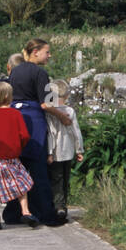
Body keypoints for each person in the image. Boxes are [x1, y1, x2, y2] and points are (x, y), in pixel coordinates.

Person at [0, 39, 72, 227]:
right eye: (47, 52)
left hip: (15, 118)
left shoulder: (15, 71)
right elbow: (45, 104)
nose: (49, 56)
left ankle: (13, 211)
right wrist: (62, 117)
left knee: (19, 166)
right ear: (36, 52)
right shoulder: (41, 73)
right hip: (34, 121)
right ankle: (45, 213)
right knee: (39, 168)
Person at [0, 81, 37, 230]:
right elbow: (24, 135)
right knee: (22, 181)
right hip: (11, 154)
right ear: (8, 96)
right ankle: (25, 211)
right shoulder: (15, 114)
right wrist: (20, 146)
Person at [45, 79, 84, 223]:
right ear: (67, 95)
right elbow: (76, 131)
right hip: (68, 151)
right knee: (65, 179)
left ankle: (58, 207)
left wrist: (48, 152)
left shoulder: (49, 113)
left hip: (55, 152)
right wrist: (79, 149)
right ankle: (63, 206)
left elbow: (49, 133)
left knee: (56, 179)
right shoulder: (70, 111)